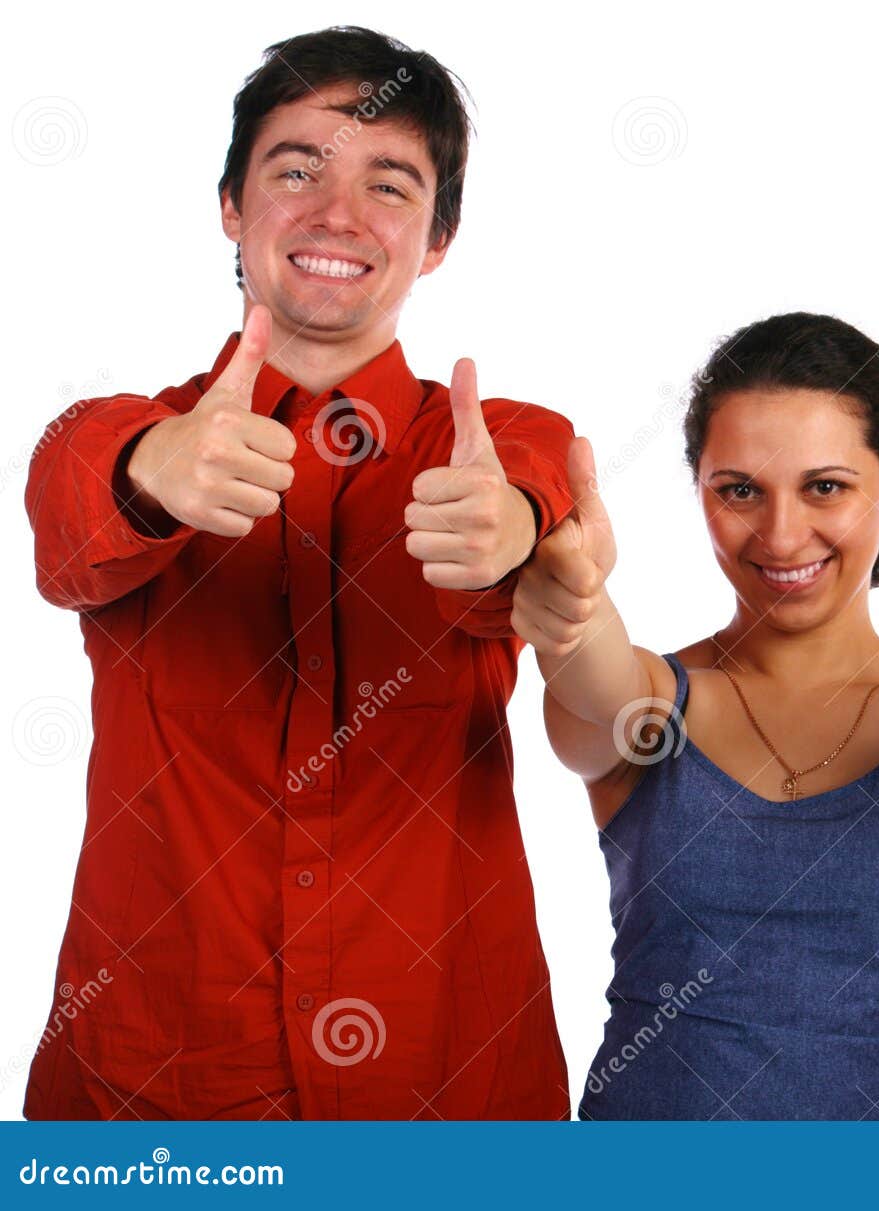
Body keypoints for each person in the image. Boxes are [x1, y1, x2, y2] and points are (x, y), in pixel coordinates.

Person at [24, 27, 573, 1119]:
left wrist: (507, 528)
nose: (338, 213)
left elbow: (526, 513)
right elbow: (74, 529)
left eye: (389, 183)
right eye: (296, 170)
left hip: (448, 1093)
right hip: (156, 1093)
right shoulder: (116, 432)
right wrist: (152, 471)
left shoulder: (502, 441)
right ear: (231, 204)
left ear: (439, 236)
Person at [512, 313, 879, 1119]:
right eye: (740, 489)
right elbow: (592, 676)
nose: (782, 534)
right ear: (699, 492)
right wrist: (573, 610)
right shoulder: (649, 711)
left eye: (826, 486)